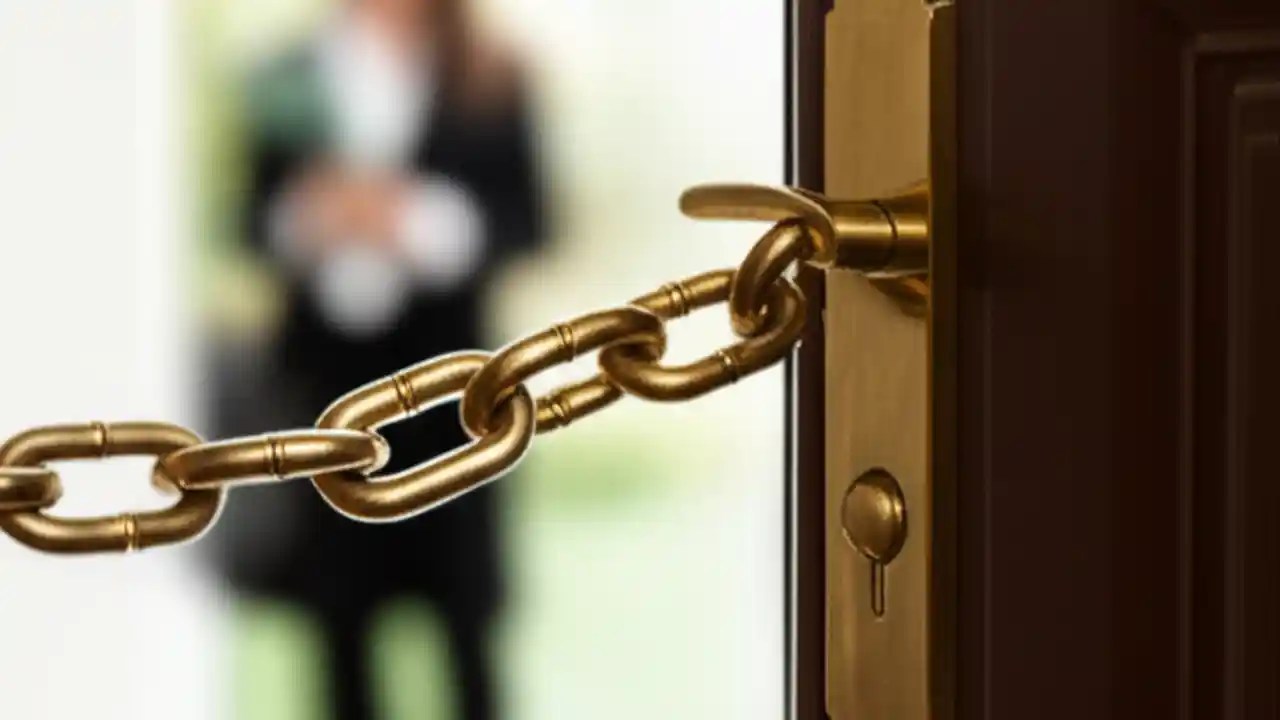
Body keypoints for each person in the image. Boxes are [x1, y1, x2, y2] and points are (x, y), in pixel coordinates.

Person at [206, 1, 543, 718]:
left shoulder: (490, 72)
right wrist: (310, 215)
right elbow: (248, 220)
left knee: (466, 628)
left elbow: (528, 217)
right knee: (339, 626)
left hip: (455, 398)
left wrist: (417, 217)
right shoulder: (288, 76)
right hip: (326, 395)